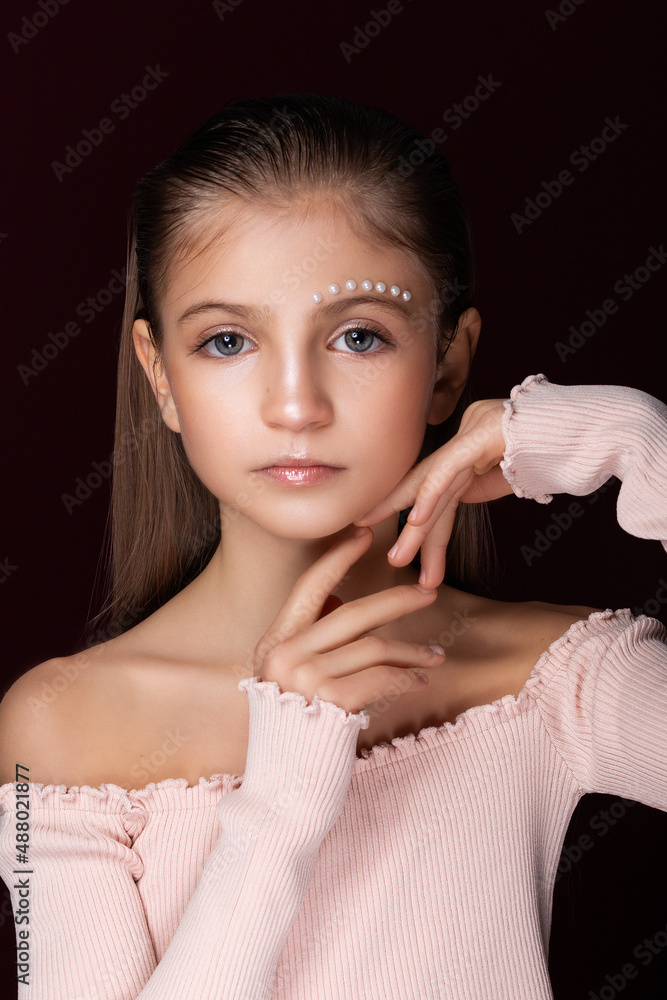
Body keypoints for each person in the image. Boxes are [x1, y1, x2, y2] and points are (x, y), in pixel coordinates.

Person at [0, 92, 665, 1000]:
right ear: (160, 376)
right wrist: (281, 798)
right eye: (227, 341)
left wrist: (637, 443)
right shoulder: (56, 726)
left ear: (448, 366)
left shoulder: (555, 679)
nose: (295, 404)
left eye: (358, 336)